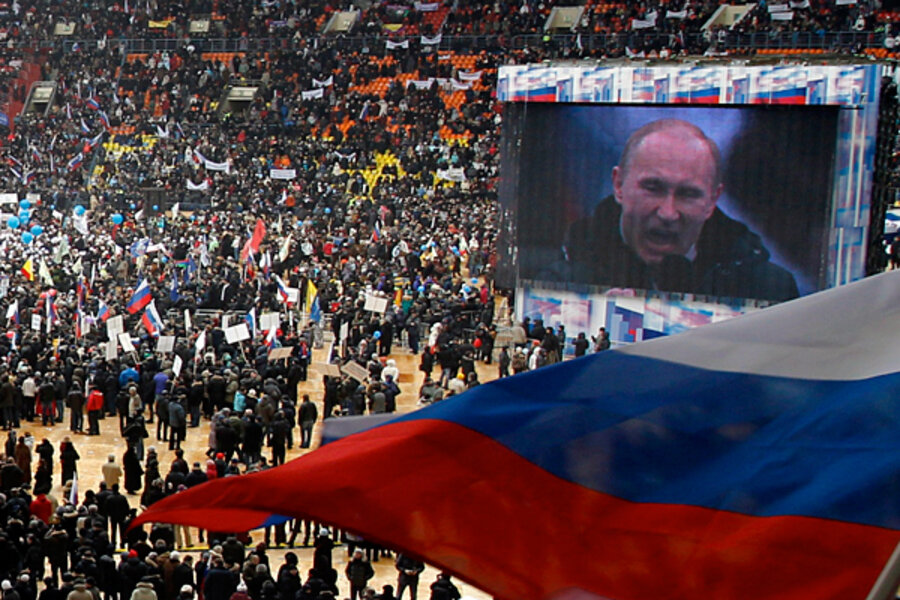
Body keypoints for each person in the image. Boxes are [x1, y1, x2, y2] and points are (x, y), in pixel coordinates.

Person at [545, 119, 799, 302]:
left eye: (688, 194)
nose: (668, 213)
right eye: (653, 188)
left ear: (713, 200)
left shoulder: (769, 289)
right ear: (618, 185)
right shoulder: (562, 280)